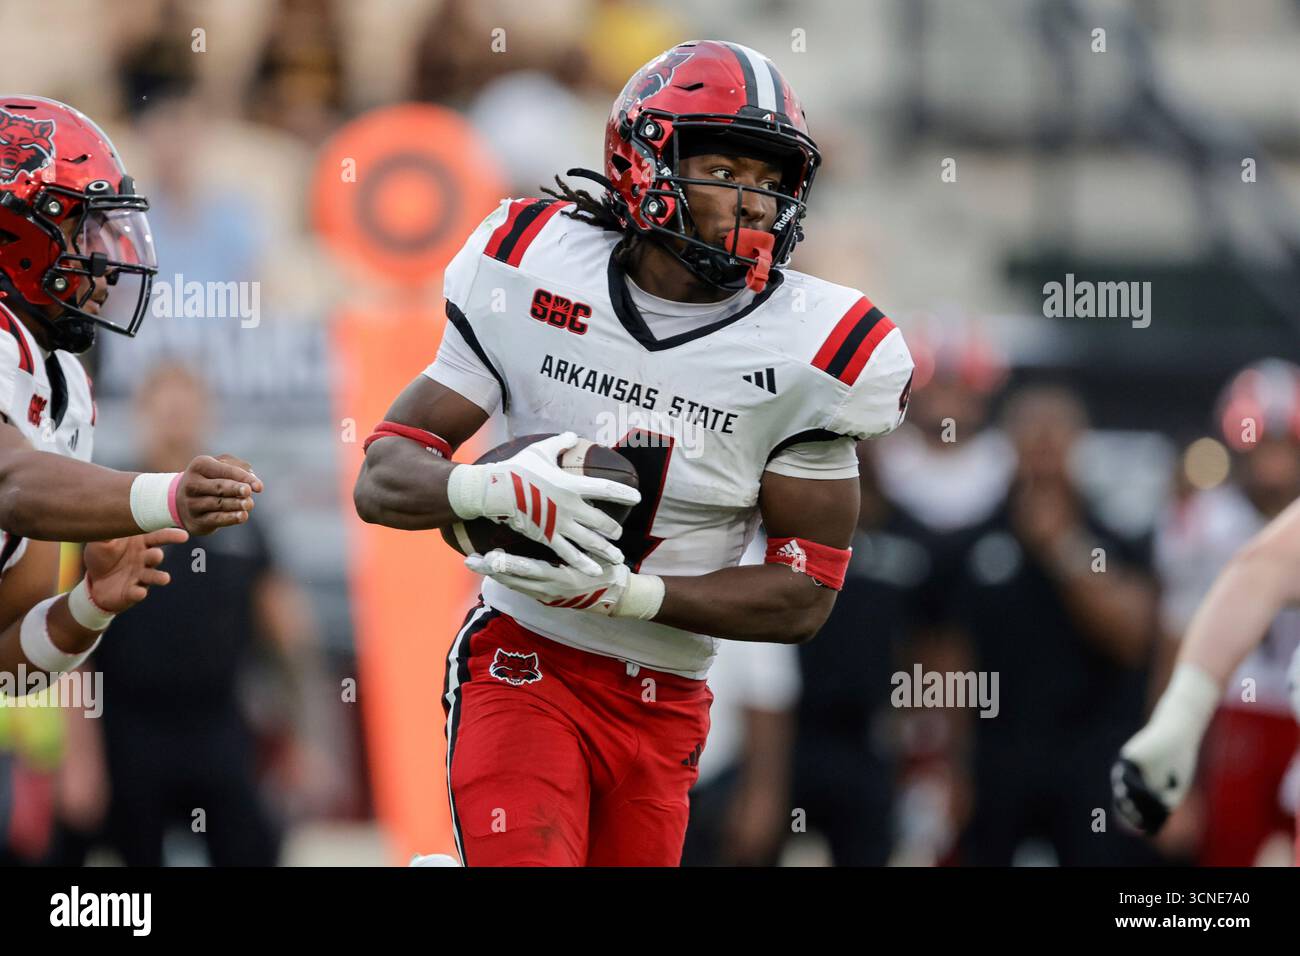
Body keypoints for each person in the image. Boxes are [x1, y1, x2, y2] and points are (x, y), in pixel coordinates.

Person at [353, 41, 914, 866]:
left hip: (667, 697)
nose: (752, 202)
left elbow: (804, 593)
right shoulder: (532, 266)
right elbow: (384, 474)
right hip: (523, 660)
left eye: (770, 180)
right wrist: (489, 490)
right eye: (725, 168)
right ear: (643, 161)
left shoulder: (817, 348)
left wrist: (632, 594)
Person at [0, 95, 263, 690]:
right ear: (13, 227)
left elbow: (4, 670)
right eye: (80, 229)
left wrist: (89, 607)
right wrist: (168, 496)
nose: (106, 263)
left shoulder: (63, 383)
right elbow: (11, 484)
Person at [1118, 360, 1300, 864]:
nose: (1275, 461)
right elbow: (1178, 642)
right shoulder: (1204, 523)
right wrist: (1169, 733)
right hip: (1233, 711)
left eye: (1288, 443)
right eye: (1265, 440)